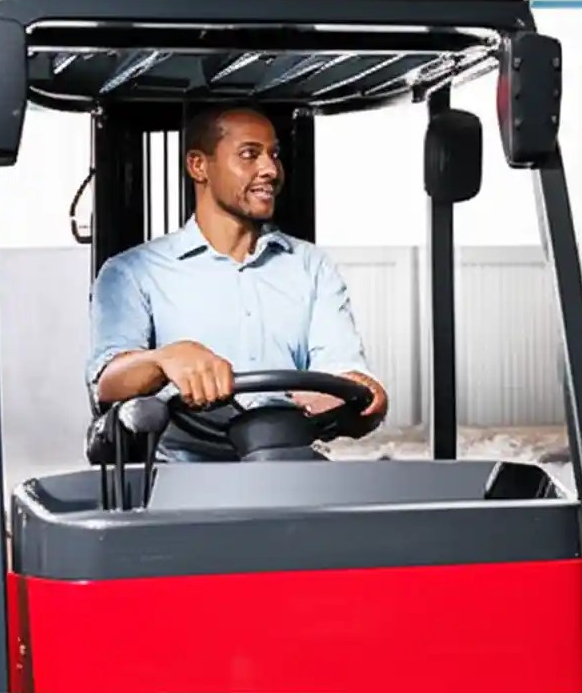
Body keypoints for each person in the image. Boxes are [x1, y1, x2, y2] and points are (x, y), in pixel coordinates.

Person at [85, 104, 389, 460]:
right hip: (180, 481)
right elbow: (107, 383)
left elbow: (340, 368)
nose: (270, 169)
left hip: (291, 467)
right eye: (250, 155)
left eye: (274, 155)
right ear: (199, 166)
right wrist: (163, 359)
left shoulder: (310, 266)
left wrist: (363, 393)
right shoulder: (132, 272)